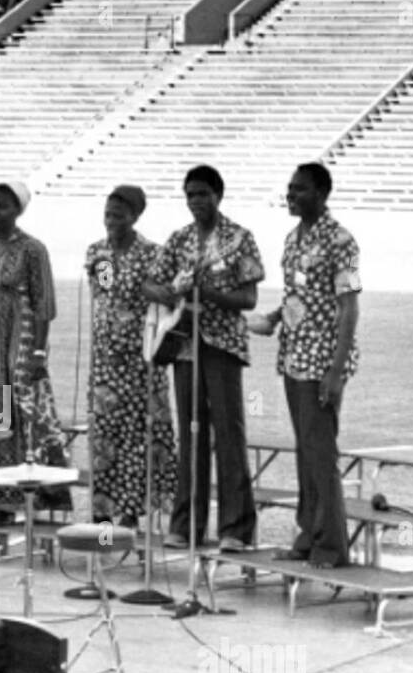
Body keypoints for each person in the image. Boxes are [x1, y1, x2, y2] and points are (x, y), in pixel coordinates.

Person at [250, 162, 360, 569]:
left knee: (320, 452)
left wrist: (335, 371)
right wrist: (275, 319)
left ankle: (331, 544)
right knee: (304, 451)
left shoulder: (341, 241)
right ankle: (308, 533)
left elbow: (349, 308)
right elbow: (300, 295)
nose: (290, 196)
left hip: (322, 361)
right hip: (294, 356)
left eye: (299, 190)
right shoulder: (294, 238)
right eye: (289, 189)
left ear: (321, 193)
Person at [149, 165, 265, 553]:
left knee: (229, 436)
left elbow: (249, 298)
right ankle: (186, 524)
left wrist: (209, 295)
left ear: (218, 195)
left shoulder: (239, 239)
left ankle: (237, 528)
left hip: (222, 345)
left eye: (202, 193)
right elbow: (150, 281)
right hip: (183, 345)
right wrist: (171, 295)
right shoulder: (179, 239)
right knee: (191, 432)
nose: (195, 201)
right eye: (189, 195)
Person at [0, 180, 72, 524]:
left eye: (3, 206)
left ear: (18, 210)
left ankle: (12, 501)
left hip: (17, 339)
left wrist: (38, 352)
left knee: (13, 415)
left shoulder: (33, 250)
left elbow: (43, 305)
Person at [83, 185, 177, 529]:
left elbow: (166, 296)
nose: (112, 222)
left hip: (141, 361)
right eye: (108, 215)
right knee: (105, 433)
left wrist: (147, 292)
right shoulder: (100, 253)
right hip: (107, 360)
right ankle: (103, 509)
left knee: (137, 435)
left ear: (135, 216)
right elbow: (106, 296)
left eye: (119, 216)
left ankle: (130, 511)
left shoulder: (153, 253)